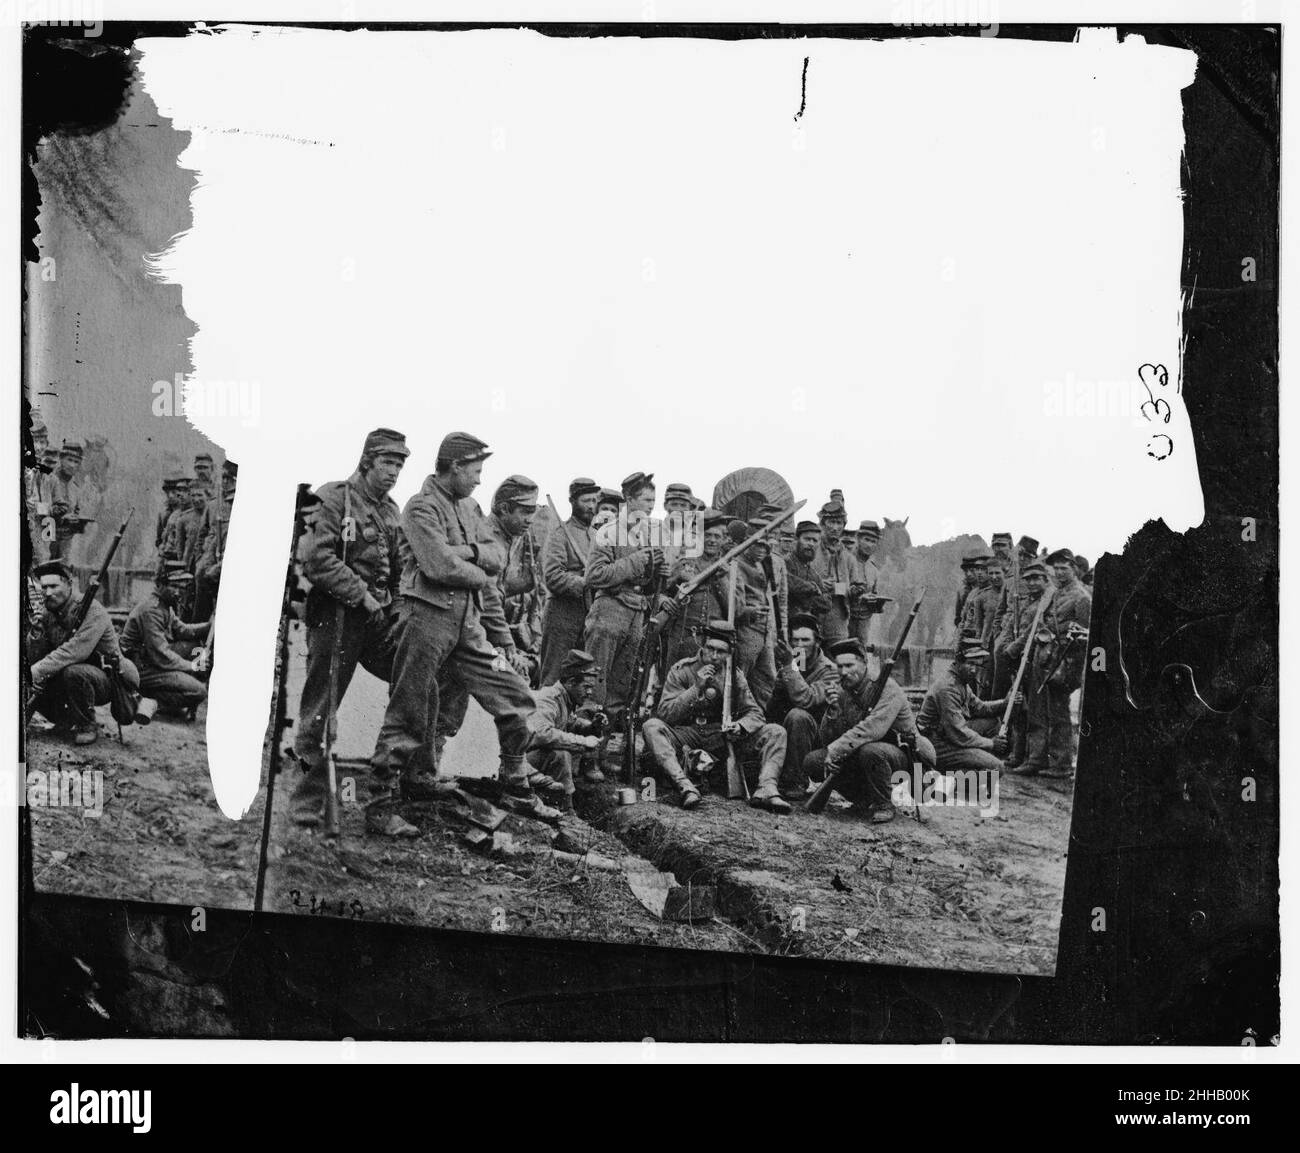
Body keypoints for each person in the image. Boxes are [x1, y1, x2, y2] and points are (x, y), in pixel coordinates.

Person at [369, 431, 556, 834]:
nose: (478, 480)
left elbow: (496, 556)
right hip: (427, 619)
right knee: (410, 708)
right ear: (453, 467)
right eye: (474, 472)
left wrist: (467, 555)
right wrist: (474, 567)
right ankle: (381, 806)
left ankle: (514, 782)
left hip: (469, 626)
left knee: (513, 693)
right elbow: (439, 567)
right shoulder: (419, 508)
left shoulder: (469, 508)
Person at [290, 429, 408, 826]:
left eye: (400, 465)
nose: (394, 472)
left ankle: (394, 790)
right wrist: (361, 593)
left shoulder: (392, 511)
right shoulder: (334, 498)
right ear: (367, 461)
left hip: (376, 621)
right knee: (321, 710)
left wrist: (395, 607)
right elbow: (317, 559)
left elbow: (397, 567)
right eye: (388, 463)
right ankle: (307, 804)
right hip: (335, 618)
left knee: (414, 681)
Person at [433, 474, 540, 761]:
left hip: (475, 630)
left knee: (449, 706)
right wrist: (505, 643)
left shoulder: (512, 538)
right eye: (525, 511)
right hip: (470, 631)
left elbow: (500, 588)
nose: (530, 519)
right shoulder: (489, 535)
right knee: (502, 695)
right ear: (504, 508)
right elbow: (490, 594)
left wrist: (525, 582)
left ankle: (425, 773)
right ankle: (515, 776)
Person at [642, 620, 790, 812]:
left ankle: (767, 789)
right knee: (651, 727)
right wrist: (696, 688)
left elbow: (755, 713)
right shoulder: (682, 670)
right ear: (702, 645)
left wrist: (740, 726)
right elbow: (666, 713)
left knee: (776, 732)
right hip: (688, 733)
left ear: (729, 654)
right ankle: (685, 786)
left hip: (720, 735)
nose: (714, 656)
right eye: (710, 649)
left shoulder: (734, 676)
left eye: (721, 652)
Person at [802, 638, 932, 823]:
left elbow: (872, 730)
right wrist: (832, 712)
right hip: (866, 756)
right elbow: (828, 740)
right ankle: (863, 798)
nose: (844, 672)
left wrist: (836, 750)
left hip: (907, 758)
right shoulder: (844, 691)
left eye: (849, 665)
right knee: (814, 761)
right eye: (839, 666)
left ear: (864, 663)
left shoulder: (887, 687)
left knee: (870, 751)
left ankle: (884, 803)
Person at [582, 471, 669, 722]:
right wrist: (637, 562)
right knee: (594, 683)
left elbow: (646, 585)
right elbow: (594, 576)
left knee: (621, 687)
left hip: (635, 613)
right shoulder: (608, 531)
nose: (650, 507)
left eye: (653, 501)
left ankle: (609, 748)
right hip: (610, 609)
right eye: (645, 500)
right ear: (629, 500)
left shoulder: (647, 534)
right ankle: (586, 747)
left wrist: (657, 573)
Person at [28, 560, 140, 745]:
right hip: (69, 676)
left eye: (54, 586)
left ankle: (87, 725)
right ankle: (65, 720)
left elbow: (75, 651)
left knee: (72, 672)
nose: (48, 593)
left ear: (68, 584)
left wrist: (35, 671)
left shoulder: (92, 610)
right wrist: (37, 632)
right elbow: (37, 656)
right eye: (44, 587)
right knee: (37, 678)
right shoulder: (49, 612)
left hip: (106, 679)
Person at [1007, 548, 1091, 777]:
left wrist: (1071, 666)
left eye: (1065, 568)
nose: (1061, 573)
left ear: (1074, 569)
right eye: (1057, 569)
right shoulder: (1053, 594)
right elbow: (1040, 623)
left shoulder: (1082, 598)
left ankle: (1062, 764)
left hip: (1064, 662)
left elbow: (1086, 637)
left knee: (1059, 713)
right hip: (1044, 657)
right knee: (1037, 710)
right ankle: (1037, 759)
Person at [120, 564, 210, 719]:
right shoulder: (151, 610)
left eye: (182, 587)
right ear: (161, 584)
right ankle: (154, 701)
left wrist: (208, 626)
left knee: (195, 647)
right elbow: (161, 655)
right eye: (174, 586)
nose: (179, 592)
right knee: (198, 691)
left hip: (152, 660)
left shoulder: (164, 604)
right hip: (141, 668)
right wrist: (192, 667)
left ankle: (164, 692)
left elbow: (182, 630)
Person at [916, 641, 1015, 774]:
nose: (974, 670)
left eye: (977, 665)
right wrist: (991, 743)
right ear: (958, 662)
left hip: (947, 735)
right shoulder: (948, 688)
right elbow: (958, 732)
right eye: (970, 664)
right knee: (997, 769)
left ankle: (972, 759)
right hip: (936, 744)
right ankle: (945, 775)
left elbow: (980, 708)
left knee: (992, 723)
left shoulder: (961, 681)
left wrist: (1005, 703)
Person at [768, 613, 839, 796]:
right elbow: (776, 699)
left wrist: (788, 666)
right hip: (791, 734)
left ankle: (795, 782)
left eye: (805, 640)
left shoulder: (830, 671)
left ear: (817, 642)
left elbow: (806, 700)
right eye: (795, 640)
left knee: (797, 715)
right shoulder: (793, 663)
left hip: (819, 739)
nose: (799, 645)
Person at [525, 649, 606, 807]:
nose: (590, 693)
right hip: (519, 762)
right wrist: (583, 742)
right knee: (560, 754)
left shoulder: (565, 699)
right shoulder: (549, 699)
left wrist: (591, 726)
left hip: (532, 762)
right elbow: (542, 734)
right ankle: (567, 811)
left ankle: (559, 805)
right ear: (570, 682)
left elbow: (569, 723)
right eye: (586, 687)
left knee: (560, 753)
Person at [538, 477, 599, 685]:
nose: (591, 506)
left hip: (589, 617)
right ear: (572, 501)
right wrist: (585, 582)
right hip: (562, 616)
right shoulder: (560, 534)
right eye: (586, 500)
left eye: (594, 501)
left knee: (579, 683)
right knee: (553, 678)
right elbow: (553, 577)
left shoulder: (598, 537)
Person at [996, 560, 1051, 766]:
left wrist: (1013, 648)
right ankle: (1017, 754)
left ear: (1046, 579)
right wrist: (1007, 646)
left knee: (1036, 712)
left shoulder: (1046, 602)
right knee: (1018, 706)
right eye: (1028, 580)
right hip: (1018, 660)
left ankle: (1034, 758)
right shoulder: (1026, 602)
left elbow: (1033, 631)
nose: (1032, 583)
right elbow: (1012, 626)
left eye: (1037, 579)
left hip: (1036, 659)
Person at [662, 509, 729, 666]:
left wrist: (721, 581)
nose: (712, 540)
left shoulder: (730, 569)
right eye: (708, 535)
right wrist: (664, 601)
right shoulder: (685, 563)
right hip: (682, 638)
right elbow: (661, 591)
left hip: (714, 644)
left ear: (723, 540)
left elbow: (737, 611)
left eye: (717, 536)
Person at [812, 500, 853, 641]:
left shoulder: (847, 557)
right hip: (811, 616)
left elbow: (849, 589)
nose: (835, 528)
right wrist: (819, 584)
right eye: (831, 522)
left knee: (837, 658)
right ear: (822, 524)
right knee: (803, 660)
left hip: (837, 620)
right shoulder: (811, 550)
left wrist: (836, 588)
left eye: (839, 523)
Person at [847, 519, 887, 650]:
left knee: (859, 659)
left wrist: (876, 602)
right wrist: (857, 596)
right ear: (858, 539)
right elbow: (833, 588)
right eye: (866, 540)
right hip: (843, 621)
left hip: (863, 624)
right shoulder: (844, 560)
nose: (869, 545)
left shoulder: (874, 570)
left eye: (873, 541)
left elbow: (874, 594)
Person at [785, 520, 830, 621]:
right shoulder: (786, 563)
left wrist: (804, 597)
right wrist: (811, 588)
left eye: (815, 541)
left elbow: (827, 604)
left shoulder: (814, 574)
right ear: (796, 540)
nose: (811, 544)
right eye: (807, 539)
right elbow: (786, 581)